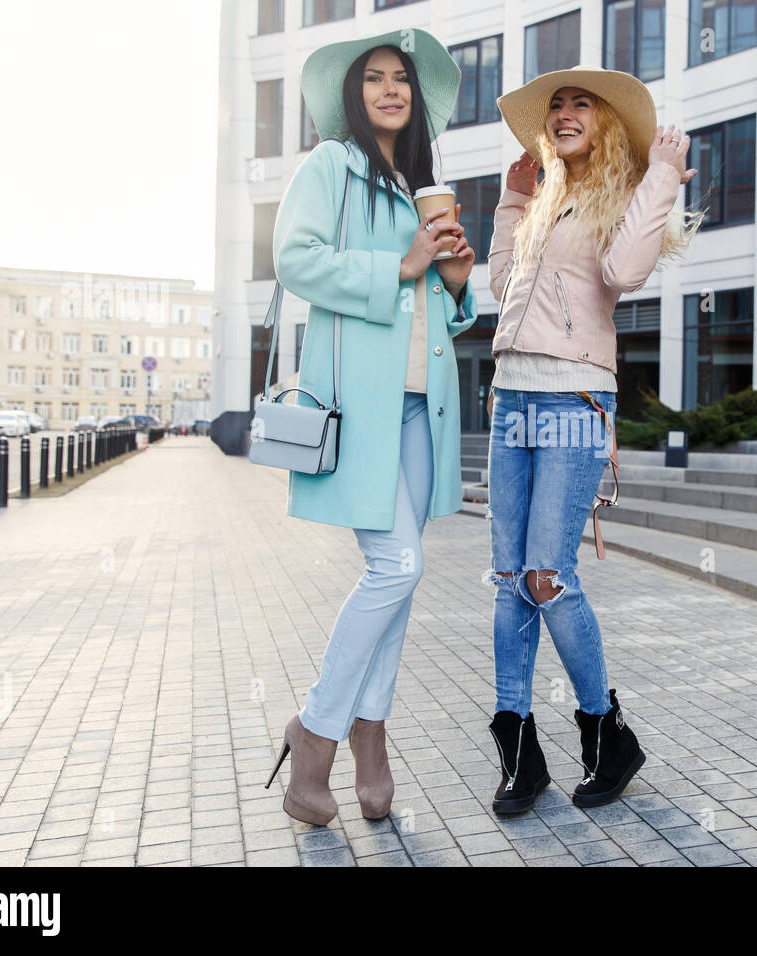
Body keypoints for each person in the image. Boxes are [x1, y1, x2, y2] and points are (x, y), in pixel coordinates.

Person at [263, 29, 477, 826]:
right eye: (376, 79)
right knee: (397, 564)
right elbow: (296, 260)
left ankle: (371, 737)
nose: (392, 90)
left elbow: (441, 312)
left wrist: (455, 281)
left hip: (424, 405)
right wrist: (398, 264)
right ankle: (318, 732)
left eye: (403, 81)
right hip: (360, 405)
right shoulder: (331, 168)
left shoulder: (423, 181)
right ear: (355, 95)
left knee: (406, 576)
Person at [482, 65, 700, 813]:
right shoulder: (546, 199)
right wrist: (514, 199)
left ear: (606, 122)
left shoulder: (621, 195)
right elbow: (499, 285)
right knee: (511, 581)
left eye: (582, 103)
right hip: (510, 399)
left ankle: (607, 734)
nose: (565, 112)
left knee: (549, 577)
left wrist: (664, 175)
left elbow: (625, 271)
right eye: (558, 105)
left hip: (573, 401)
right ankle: (519, 756)